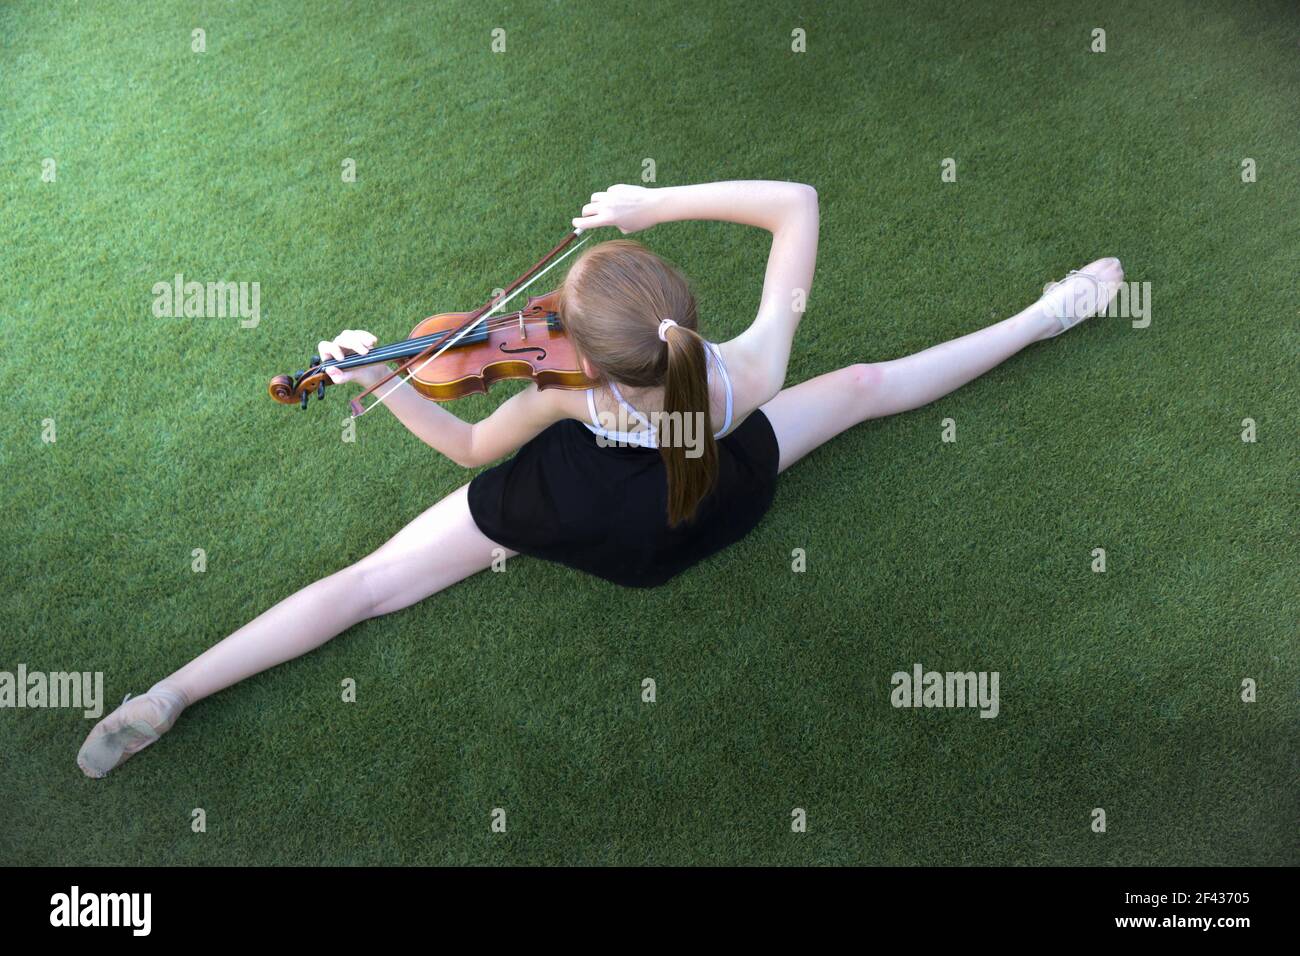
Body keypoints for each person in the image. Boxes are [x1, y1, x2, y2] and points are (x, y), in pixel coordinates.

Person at [77, 181, 1122, 777]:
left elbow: (469, 449)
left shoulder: (564, 400)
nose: (524, 335)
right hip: (713, 491)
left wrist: (381, 373)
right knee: (862, 384)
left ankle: (169, 692)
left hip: (577, 509)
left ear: (580, 351)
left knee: (370, 581)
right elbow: (797, 201)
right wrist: (654, 203)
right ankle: (1051, 311)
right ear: (682, 318)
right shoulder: (747, 369)